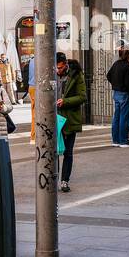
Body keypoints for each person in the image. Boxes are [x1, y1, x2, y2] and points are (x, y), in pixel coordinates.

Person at [56, 54, 86, 192]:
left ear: (65, 64)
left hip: (69, 119)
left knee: (68, 152)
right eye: (56, 68)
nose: (58, 70)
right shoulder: (49, 73)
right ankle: (52, 178)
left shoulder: (76, 75)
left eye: (60, 67)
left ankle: (64, 181)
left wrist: (65, 101)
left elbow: (82, 96)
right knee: (52, 151)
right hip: (54, 118)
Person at [107, 46, 129, 147]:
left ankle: (115, 140)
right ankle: (123, 140)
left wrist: (115, 84)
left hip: (116, 93)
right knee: (124, 117)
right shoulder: (128, 67)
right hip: (125, 93)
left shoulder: (116, 64)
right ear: (128, 55)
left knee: (117, 117)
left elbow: (108, 75)